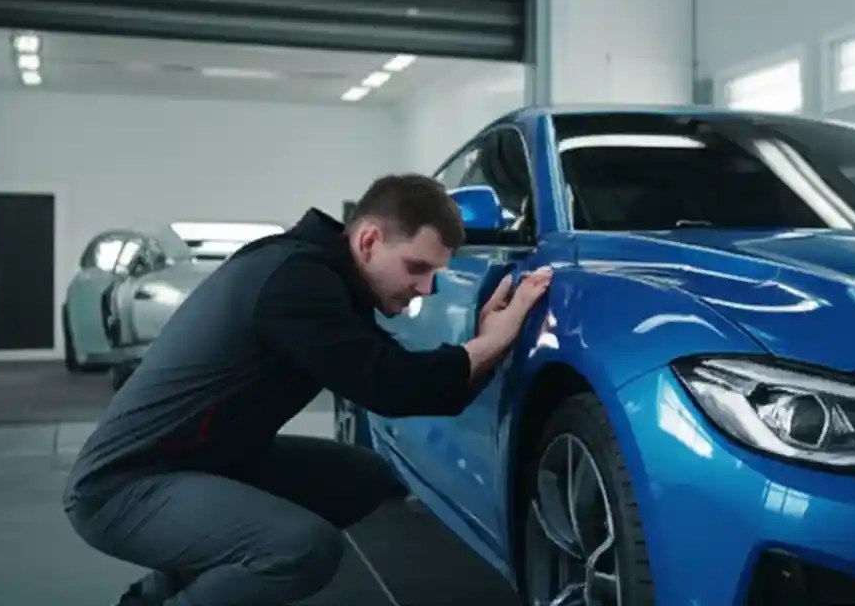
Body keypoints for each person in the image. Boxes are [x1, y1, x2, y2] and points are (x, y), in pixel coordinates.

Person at [62, 174, 553, 606]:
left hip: (205, 460)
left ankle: (153, 594)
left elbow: (410, 383)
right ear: (368, 241)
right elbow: (392, 386)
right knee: (301, 549)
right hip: (124, 487)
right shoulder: (295, 281)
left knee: (358, 477)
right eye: (416, 268)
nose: (426, 289)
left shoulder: (320, 275)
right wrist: (490, 343)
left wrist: (485, 351)